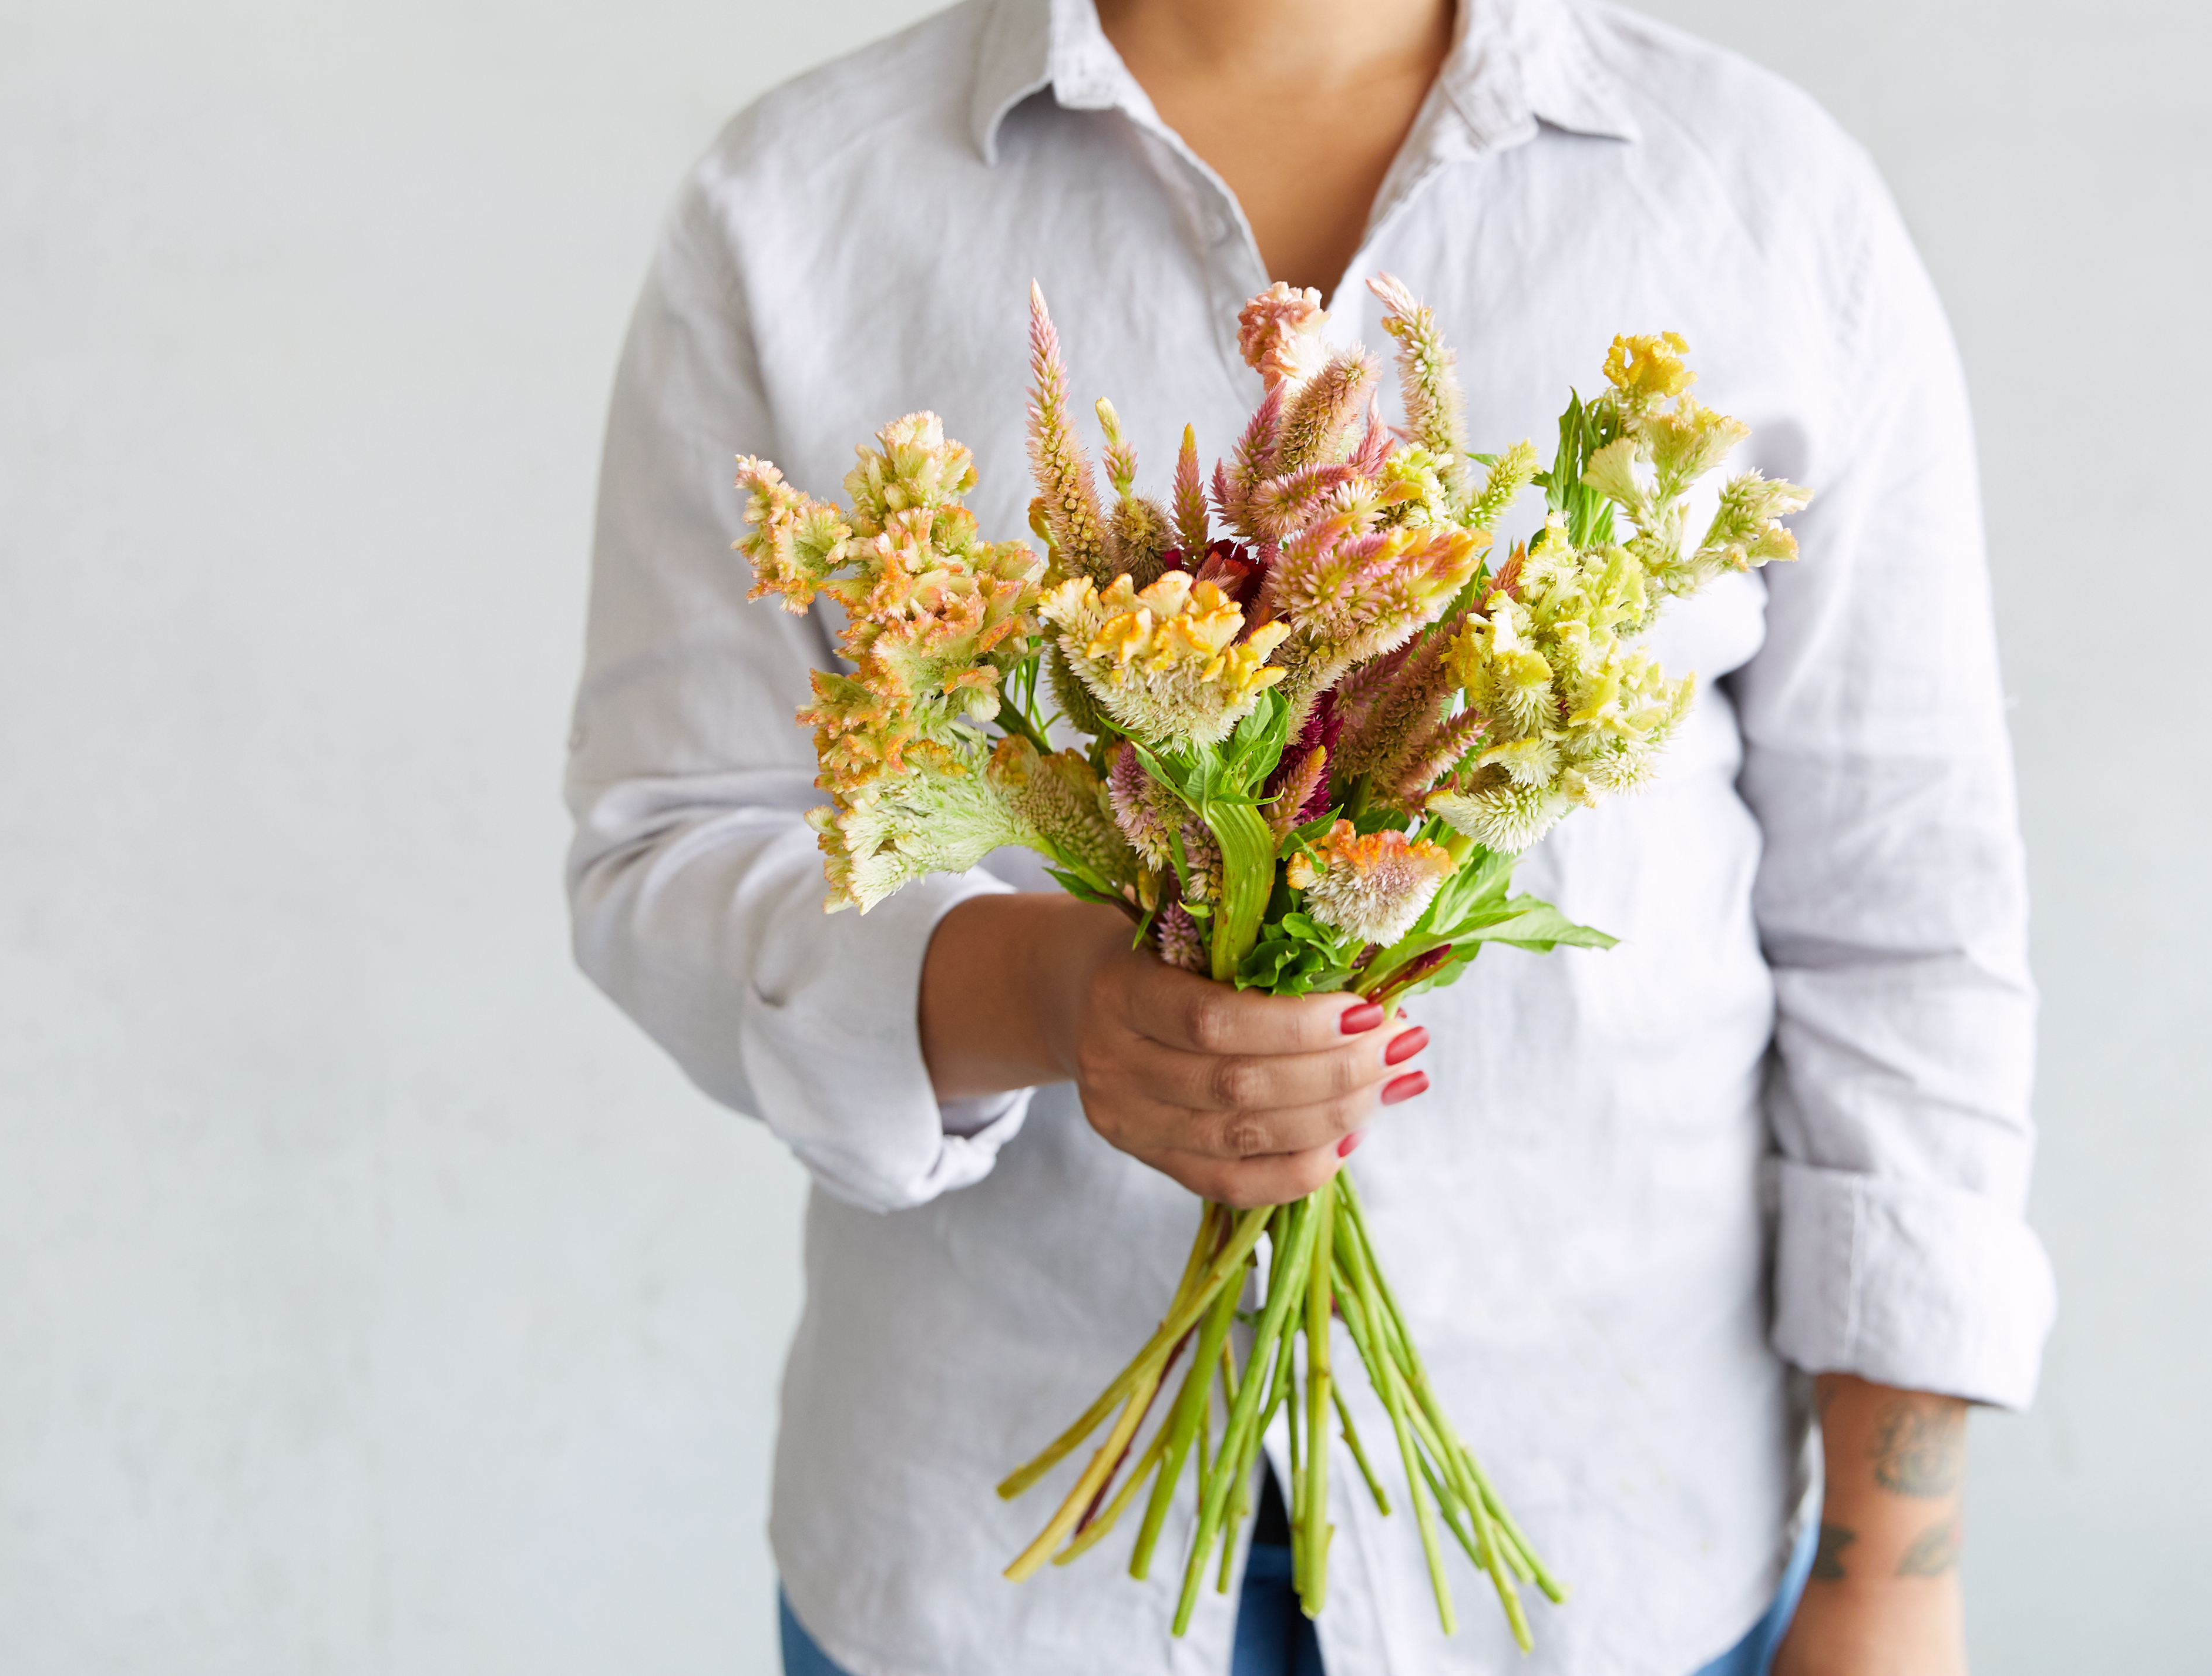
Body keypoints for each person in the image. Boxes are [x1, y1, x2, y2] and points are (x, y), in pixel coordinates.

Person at [566, 0, 2055, 1670]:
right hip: (983, 1564)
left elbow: (1901, 915)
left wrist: (1892, 1568)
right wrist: (1047, 997)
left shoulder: (1757, 199)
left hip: (1613, 1543)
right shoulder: (799, 204)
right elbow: (673, 848)